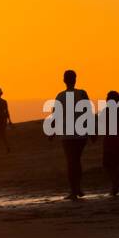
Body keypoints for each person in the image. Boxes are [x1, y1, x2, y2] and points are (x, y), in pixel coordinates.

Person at [51, 69, 93, 200]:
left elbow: (56, 115)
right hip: (81, 133)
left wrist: (51, 131)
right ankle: (77, 188)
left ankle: (73, 190)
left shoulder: (60, 96)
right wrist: (92, 131)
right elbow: (88, 112)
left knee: (71, 161)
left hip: (67, 134)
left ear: (64, 80)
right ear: (75, 79)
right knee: (76, 160)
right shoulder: (82, 93)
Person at [99, 90, 119, 197]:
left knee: (107, 165)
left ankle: (115, 184)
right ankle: (115, 184)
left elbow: (100, 125)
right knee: (115, 165)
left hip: (111, 142)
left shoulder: (106, 111)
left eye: (107, 97)